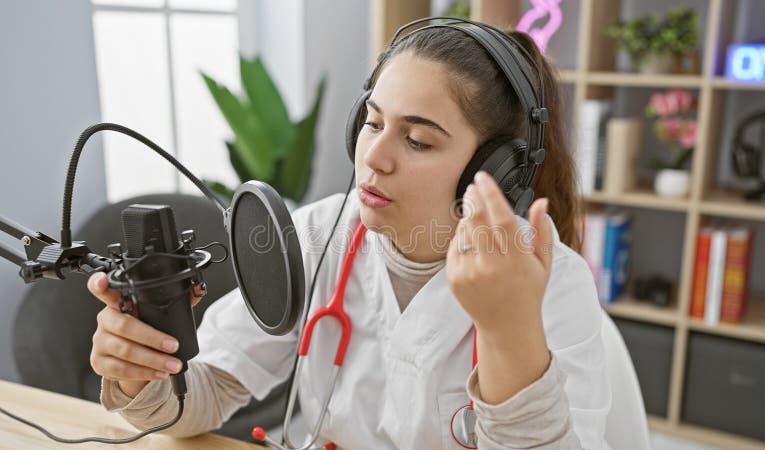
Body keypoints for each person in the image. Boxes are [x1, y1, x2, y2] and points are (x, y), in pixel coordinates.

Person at [87, 20, 610, 450]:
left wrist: (506, 331)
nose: (375, 159)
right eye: (373, 123)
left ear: (494, 170)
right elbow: (199, 397)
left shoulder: (552, 284)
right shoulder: (323, 232)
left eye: (419, 141)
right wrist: (141, 371)